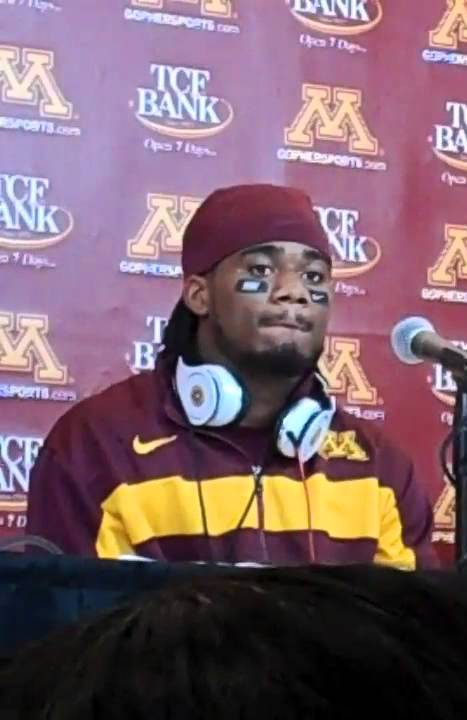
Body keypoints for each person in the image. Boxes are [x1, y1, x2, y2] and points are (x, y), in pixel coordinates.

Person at [25, 183, 436, 569]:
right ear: (199, 295)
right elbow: (80, 616)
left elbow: (407, 620)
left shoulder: (379, 470)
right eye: (261, 269)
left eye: (313, 276)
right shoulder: (96, 447)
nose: (293, 292)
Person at [0, 564, 467, 719]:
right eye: (263, 283)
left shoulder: (374, 455)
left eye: (318, 287)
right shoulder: (99, 436)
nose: (296, 296)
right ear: (199, 295)